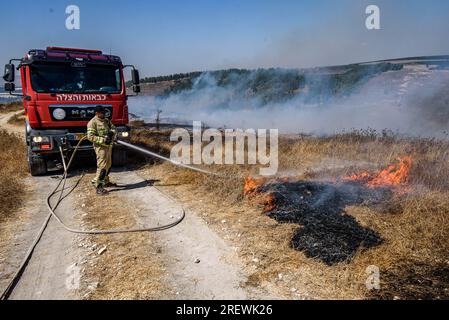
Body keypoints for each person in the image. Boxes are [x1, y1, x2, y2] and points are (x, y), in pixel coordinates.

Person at [86, 105, 117, 195]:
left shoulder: (106, 120)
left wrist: (111, 133)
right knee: (102, 167)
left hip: (108, 147)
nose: (104, 114)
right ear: (97, 113)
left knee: (108, 165)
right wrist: (103, 140)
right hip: (100, 148)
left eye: (104, 112)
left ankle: (106, 182)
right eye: (102, 113)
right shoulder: (92, 122)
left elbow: (114, 128)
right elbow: (90, 137)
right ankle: (99, 187)